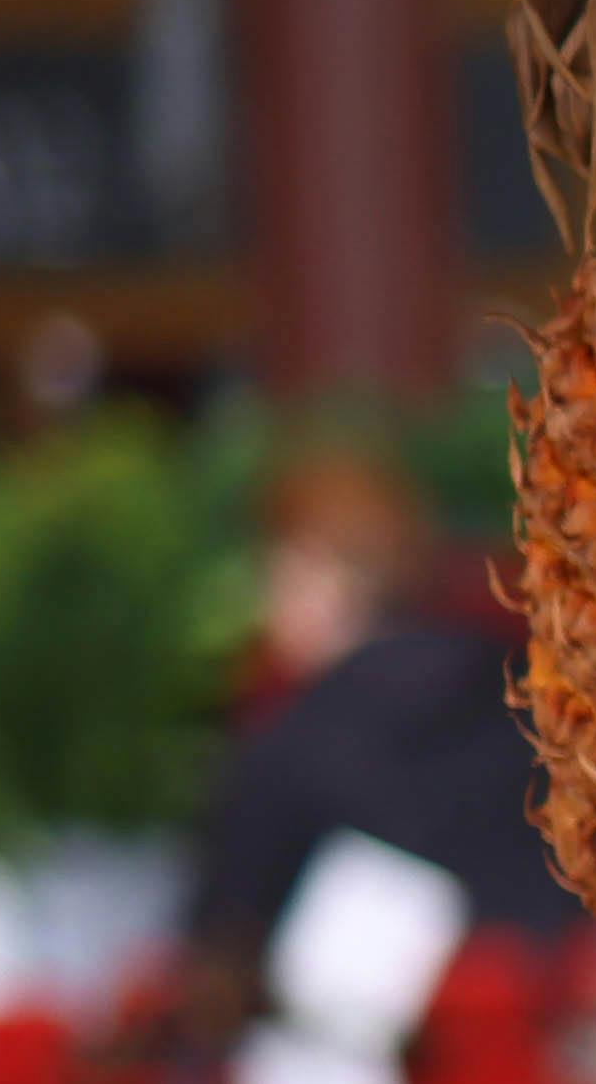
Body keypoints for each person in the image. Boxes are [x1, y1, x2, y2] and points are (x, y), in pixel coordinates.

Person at [178, 433, 566, 1038]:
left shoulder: (290, 745)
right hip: (541, 1057)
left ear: (314, 570)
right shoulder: (533, 710)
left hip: (345, 1074)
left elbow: (220, 951)